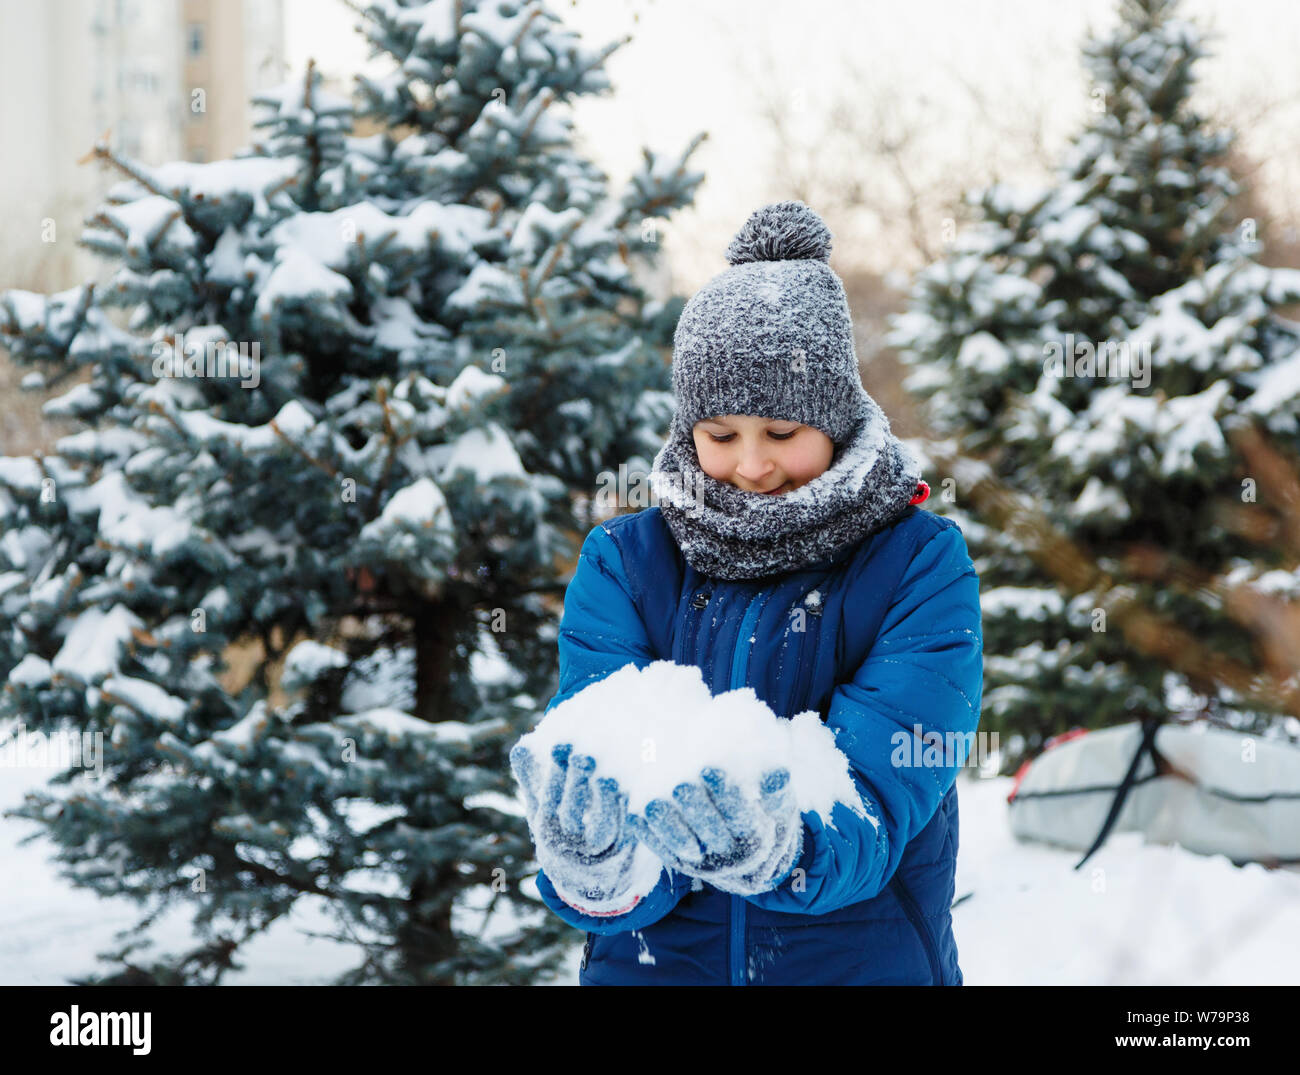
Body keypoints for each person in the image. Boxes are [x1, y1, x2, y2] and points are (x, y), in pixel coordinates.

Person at [510, 201, 983, 985]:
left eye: (782, 432)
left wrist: (786, 842)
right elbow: (617, 768)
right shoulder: (628, 563)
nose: (752, 465)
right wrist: (600, 866)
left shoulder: (917, 566)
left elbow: (883, 787)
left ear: (834, 419)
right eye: (721, 435)